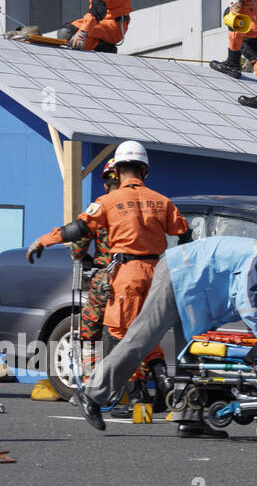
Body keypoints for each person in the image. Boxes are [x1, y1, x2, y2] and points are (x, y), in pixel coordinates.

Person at [74, 237, 257, 437]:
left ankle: (190, 420)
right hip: (180, 274)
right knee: (142, 338)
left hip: (196, 292)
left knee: (195, 354)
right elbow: (246, 297)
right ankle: (92, 394)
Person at [27, 141, 190, 407]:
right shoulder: (162, 201)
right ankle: (165, 384)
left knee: (123, 334)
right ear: (144, 170)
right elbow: (185, 235)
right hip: (160, 273)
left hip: (126, 275)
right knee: (149, 332)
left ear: (117, 171)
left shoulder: (107, 202)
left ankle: (137, 398)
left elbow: (77, 230)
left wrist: (43, 240)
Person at [66, 160, 120, 389]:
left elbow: (77, 247)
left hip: (105, 279)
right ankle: (136, 389)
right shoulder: (142, 206)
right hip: (140, 278)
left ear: (108, 182)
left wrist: (85, 259)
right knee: (133, 332)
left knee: (90, 329)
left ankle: (91, 383)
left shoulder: (99, 208)